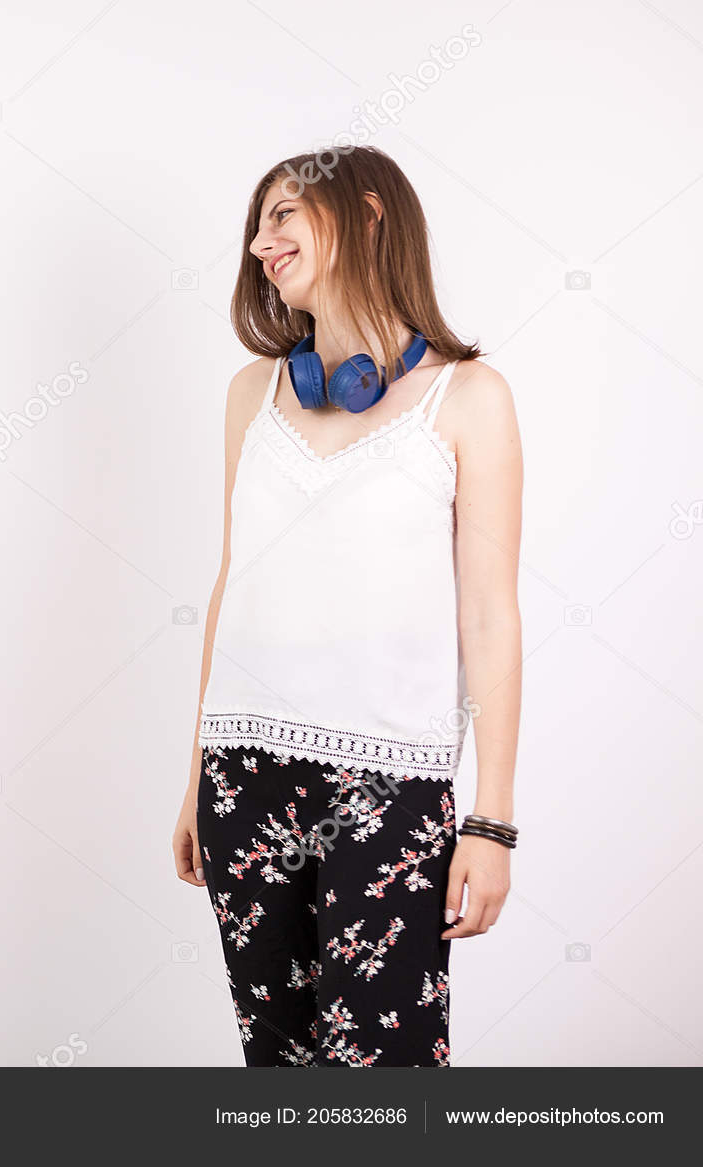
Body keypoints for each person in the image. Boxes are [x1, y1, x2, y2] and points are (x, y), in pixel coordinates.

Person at [171, 148, 523, 1067]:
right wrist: (196, 771)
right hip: (242, 778)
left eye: (285, 214)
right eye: (259, 221)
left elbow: (489, 617)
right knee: (277, 1063)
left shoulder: (468, 398)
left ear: (366, 215)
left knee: (385, 1065)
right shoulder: (252, 394)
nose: (261, 242)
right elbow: (231, 583)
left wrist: (489, 819)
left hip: (390, 787)